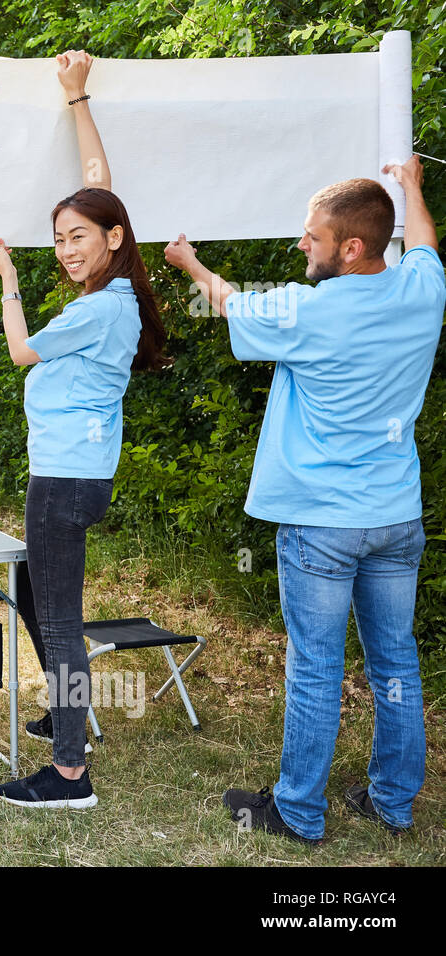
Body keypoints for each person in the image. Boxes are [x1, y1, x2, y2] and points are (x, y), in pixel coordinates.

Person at [164, 156, 444, 843]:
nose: (300, 245)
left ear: (351, 247)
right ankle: (393, 803)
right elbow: (427, 245)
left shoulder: (305, 311)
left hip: (323, 523)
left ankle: (296, 811)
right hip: (395, 519)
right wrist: (411, 184)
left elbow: (228, 301)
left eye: (312, 237)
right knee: (396, 661)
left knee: (316, 667)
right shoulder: (421, 291)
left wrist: (189, 264)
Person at [0, 50, 168, 809]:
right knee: (43, 597)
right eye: (57, 238)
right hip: (79, 477)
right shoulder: (118, 295)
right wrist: (76, 98)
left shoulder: (96, 308)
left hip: (61, 481)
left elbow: (22, 352)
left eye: (76, 237)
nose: (65, 249)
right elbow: (102, 183)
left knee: (59, 623)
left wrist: (10, 281)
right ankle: (69, 714)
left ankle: (69, 775)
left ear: (114, 239)